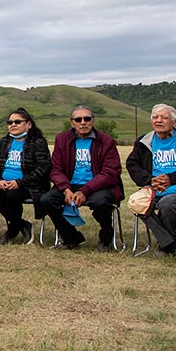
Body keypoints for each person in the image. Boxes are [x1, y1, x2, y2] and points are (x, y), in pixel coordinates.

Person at [125, 104, 176, 262]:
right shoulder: (143, 141)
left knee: (167, 203)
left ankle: (165, 245)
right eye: (155, 117)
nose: (159, 120)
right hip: (153, 188)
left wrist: (172, 179)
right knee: (137, 202)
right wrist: (150, 180)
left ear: (175, 122)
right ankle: (172, 243)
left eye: (164, 117)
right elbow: (132, 165)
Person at [47, 106, 124, 251]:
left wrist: (85, 190)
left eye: (87, 119)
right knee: (47, 200)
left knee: (100, 203)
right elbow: (56, 169)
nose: (83, 122)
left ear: (93, 121)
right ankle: (71, 237)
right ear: (72, 123)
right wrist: (65, 189)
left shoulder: (106, 141)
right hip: (70, 184)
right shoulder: (62, 139)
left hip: (97, 186)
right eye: (78, 119)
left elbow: (111, 172)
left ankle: (106, 237)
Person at [0, 108, 52, 245]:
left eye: (17, 122)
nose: (13, 125)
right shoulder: (4, 142)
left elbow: (43, 167)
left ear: (28, 124)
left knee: (12, 196)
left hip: (29, 185)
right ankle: (22, 225)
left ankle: (12, 230)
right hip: (4, 183)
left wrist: (20, 182)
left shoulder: (37, 142)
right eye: (10, 122)